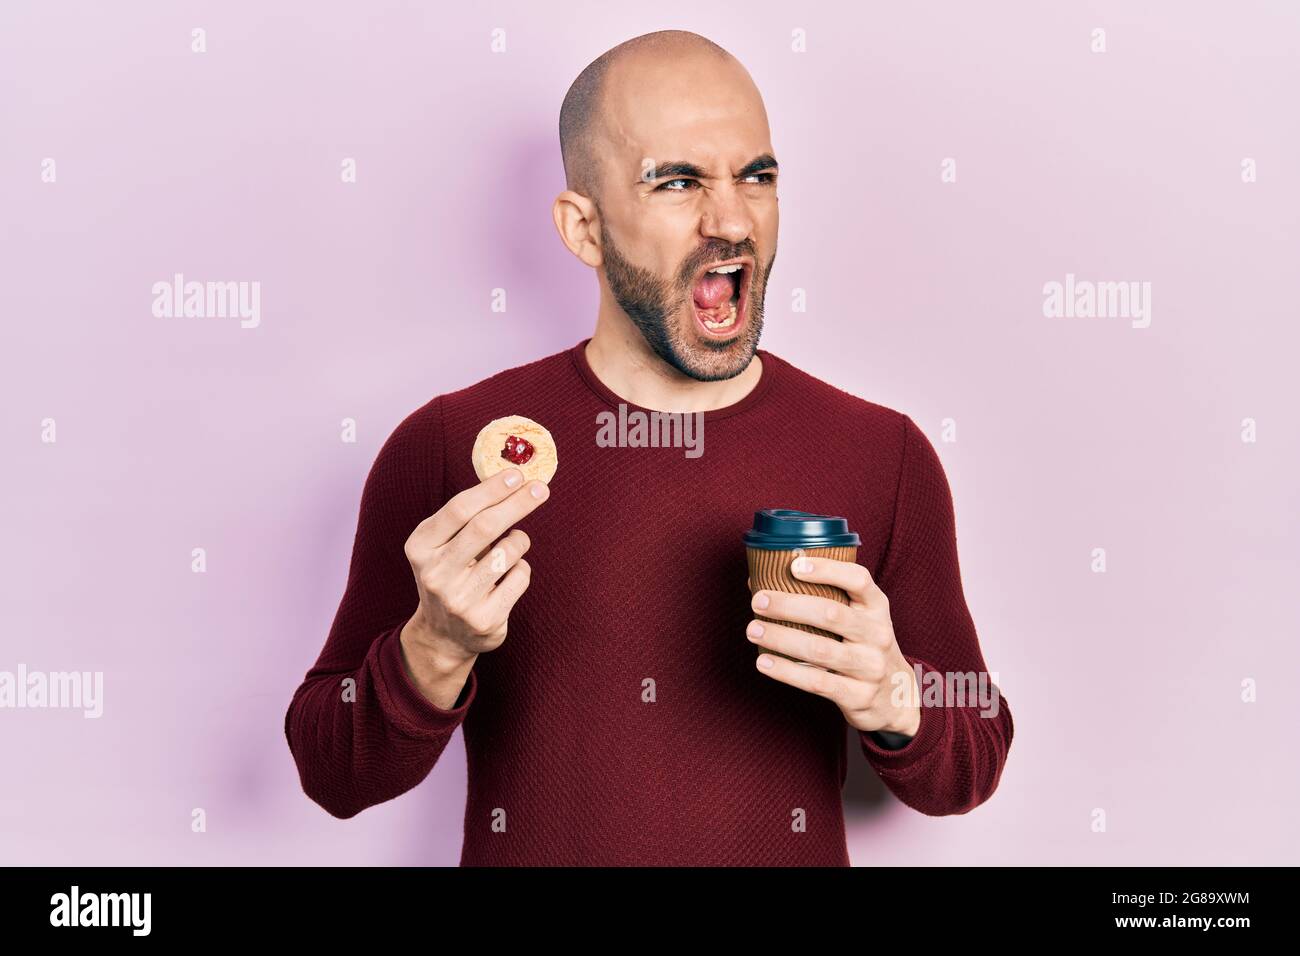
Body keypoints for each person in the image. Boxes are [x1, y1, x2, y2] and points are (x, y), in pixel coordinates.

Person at [284, 29, 1013, 866]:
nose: (732, 219)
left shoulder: (883, 453)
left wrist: (896, 693)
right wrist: (433, 646)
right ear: (583, 228)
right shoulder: (454, 448)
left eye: (757, 176)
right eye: (678, 182)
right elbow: (330, 773)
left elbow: (974, 756)